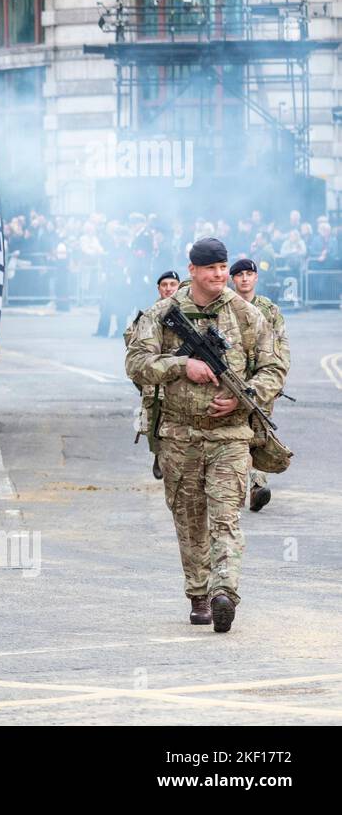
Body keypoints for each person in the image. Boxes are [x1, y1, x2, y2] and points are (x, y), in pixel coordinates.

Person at [125, 238, 286, 633]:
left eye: (223, 267)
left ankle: (224, 593)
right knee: (189, 518)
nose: (218, 275)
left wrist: (243, 397)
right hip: (179, 435)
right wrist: (183, 366)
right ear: (192, 270)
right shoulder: (163, 314)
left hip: (230, 436)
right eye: (210, 268)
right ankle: (198, 593)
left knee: (226, 517)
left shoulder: (247, 316)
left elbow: (274, 368)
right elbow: (136, 363)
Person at [230, 257, 290, 513]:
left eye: (248, 274)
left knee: (258, 435)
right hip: (231, 382)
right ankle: (239, 485)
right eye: (239, 274)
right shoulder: (226, 307)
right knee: (235, 436)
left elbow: (281, 346)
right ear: (233, 279)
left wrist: (275, 380)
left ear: (256, 278)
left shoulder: (269, 309)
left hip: (261, 385)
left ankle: (256, 485)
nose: (244, 278)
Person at [124, 270, 182, 479]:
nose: (168, 288)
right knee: (154, 417)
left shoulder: (188, 311)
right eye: (164, 285)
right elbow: (133, 345)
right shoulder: (149, 314)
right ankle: (158, 454)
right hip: (155, 374)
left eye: (172, 284)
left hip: (180, 372)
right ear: (158, 289)